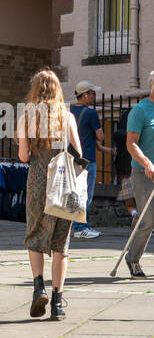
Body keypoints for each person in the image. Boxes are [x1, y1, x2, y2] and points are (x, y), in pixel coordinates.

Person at [17, 69, 83, 320]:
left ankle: (38, 288)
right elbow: (78, 153)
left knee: (35, 235)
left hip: (37, 182)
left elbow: (23, 156)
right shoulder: (66, 117)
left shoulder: (26, 117)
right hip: (62, 184)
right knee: (60, 243)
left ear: (34, 89)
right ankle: (57, 302)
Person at [69, 80, 108, 239]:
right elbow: (101, 136)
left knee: (75, 193)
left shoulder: (69, 112)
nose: (94, 97)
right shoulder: (91, 114)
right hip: (87, 160)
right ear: (85, 95)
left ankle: (82, 225)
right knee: (86, 195)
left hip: (72, 158)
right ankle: (81, 228)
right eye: (92, 94)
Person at [124, 71, 154, 278]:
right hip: (144, 173)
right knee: (148, 219)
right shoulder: (140, 111)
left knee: (145, 218)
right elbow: (131, 143)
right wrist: (147, 163)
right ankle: (132, 259)